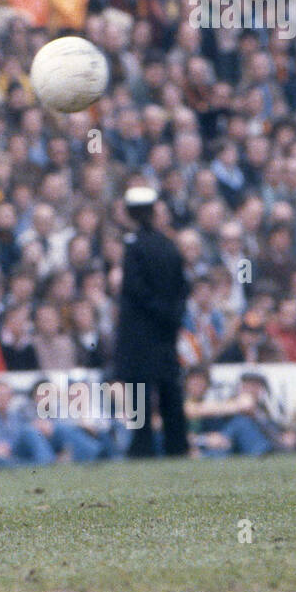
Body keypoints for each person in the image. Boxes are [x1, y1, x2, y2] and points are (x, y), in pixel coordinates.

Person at [115, 186, 190, 457]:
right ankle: (177, 446)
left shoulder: (134, 246)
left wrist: (157, 312)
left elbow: (135, 290)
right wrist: (171, 316)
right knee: (170, 391)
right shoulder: (169, 244)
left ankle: (142, 447)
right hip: (166, 332)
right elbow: (183, 287)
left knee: (140, 394)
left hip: (140, 335)